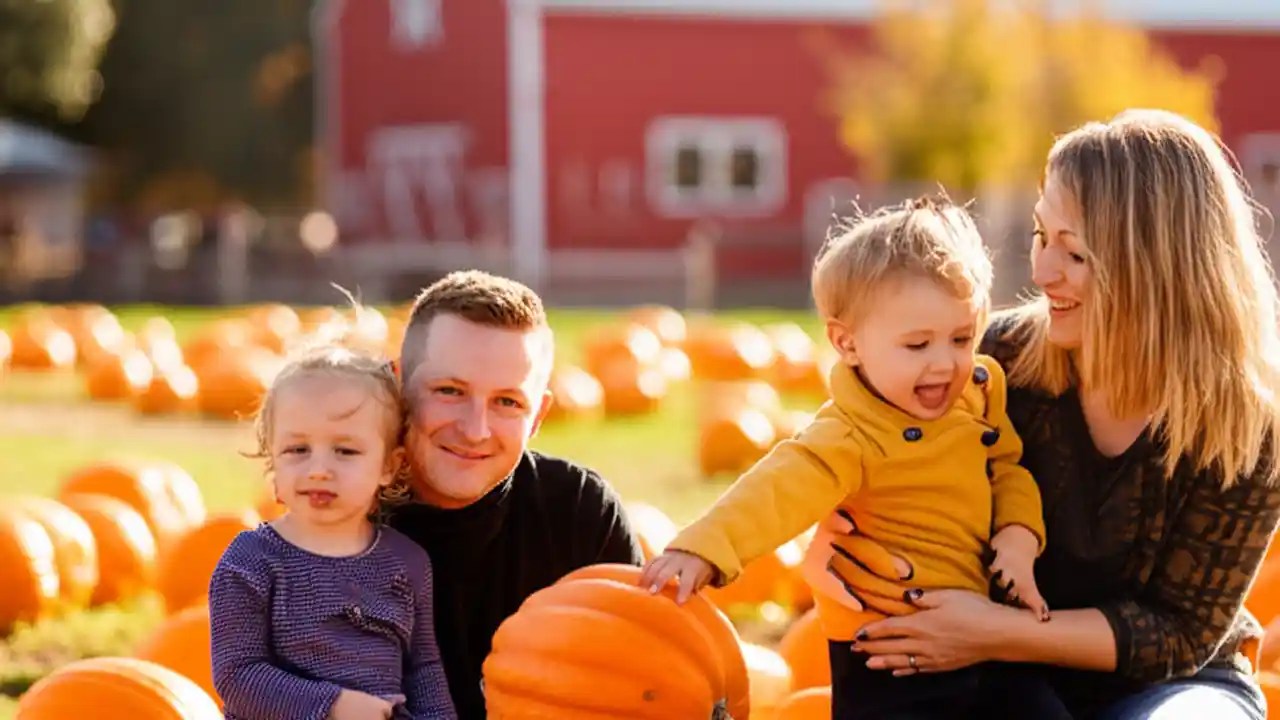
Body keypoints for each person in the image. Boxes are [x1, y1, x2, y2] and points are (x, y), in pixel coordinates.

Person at [809, 109, 1280, 720]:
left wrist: (995, 630)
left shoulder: (1247, 426)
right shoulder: (993, 363)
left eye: (1074, 253)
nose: (1040, 272)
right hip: (991, 678)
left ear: (1155, 268)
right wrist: (831, 541)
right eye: (1040, 237)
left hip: (1176, 687)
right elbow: (859, 446)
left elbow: (1181, 636)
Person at [640, 196, 1066, 719]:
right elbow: (775, 490)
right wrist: (702, 550)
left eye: (960, 338)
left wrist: (1019, 535)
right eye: (917, 345)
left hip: (987, 634)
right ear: (848, 344)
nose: (944, 364)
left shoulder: (978, 391)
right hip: (888, 654)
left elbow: (1006, 469)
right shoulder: (848, 433)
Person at [385, 270, 645, 719]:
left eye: (507, 402)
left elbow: (643, 681)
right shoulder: (345, 513)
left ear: (539, 414)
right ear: (399, 384)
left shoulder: (580, 514)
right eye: (450, 391)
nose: (475, 430)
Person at [209, 339, 457, 720]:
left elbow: (423, 670)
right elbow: (238, 677)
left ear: (389, 466)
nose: (319, 469)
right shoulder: (251, 562)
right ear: (273, 461)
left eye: (345, 451)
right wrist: (335, 705)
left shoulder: (407, 562)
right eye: (297, 450)